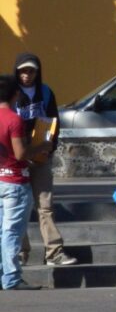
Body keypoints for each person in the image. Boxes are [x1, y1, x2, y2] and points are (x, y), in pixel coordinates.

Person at [11, 54, 71, 267]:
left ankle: (54, 251)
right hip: (17, 155)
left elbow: (54, 121)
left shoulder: (45, 92)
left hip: (41, 153)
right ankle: (19, 253)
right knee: (18, 205)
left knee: (45, 205)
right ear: (17, 72)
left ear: (38, 72)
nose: (27, 75)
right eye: (23, 71)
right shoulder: (11, 93)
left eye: (31, 71)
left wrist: (49, 148)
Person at [0, 81, 30, 291]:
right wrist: (42, 146)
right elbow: (20, 154)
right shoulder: (14, 119)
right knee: (11, 232)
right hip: (15, 180)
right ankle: (11, 277)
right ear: (15, 94)